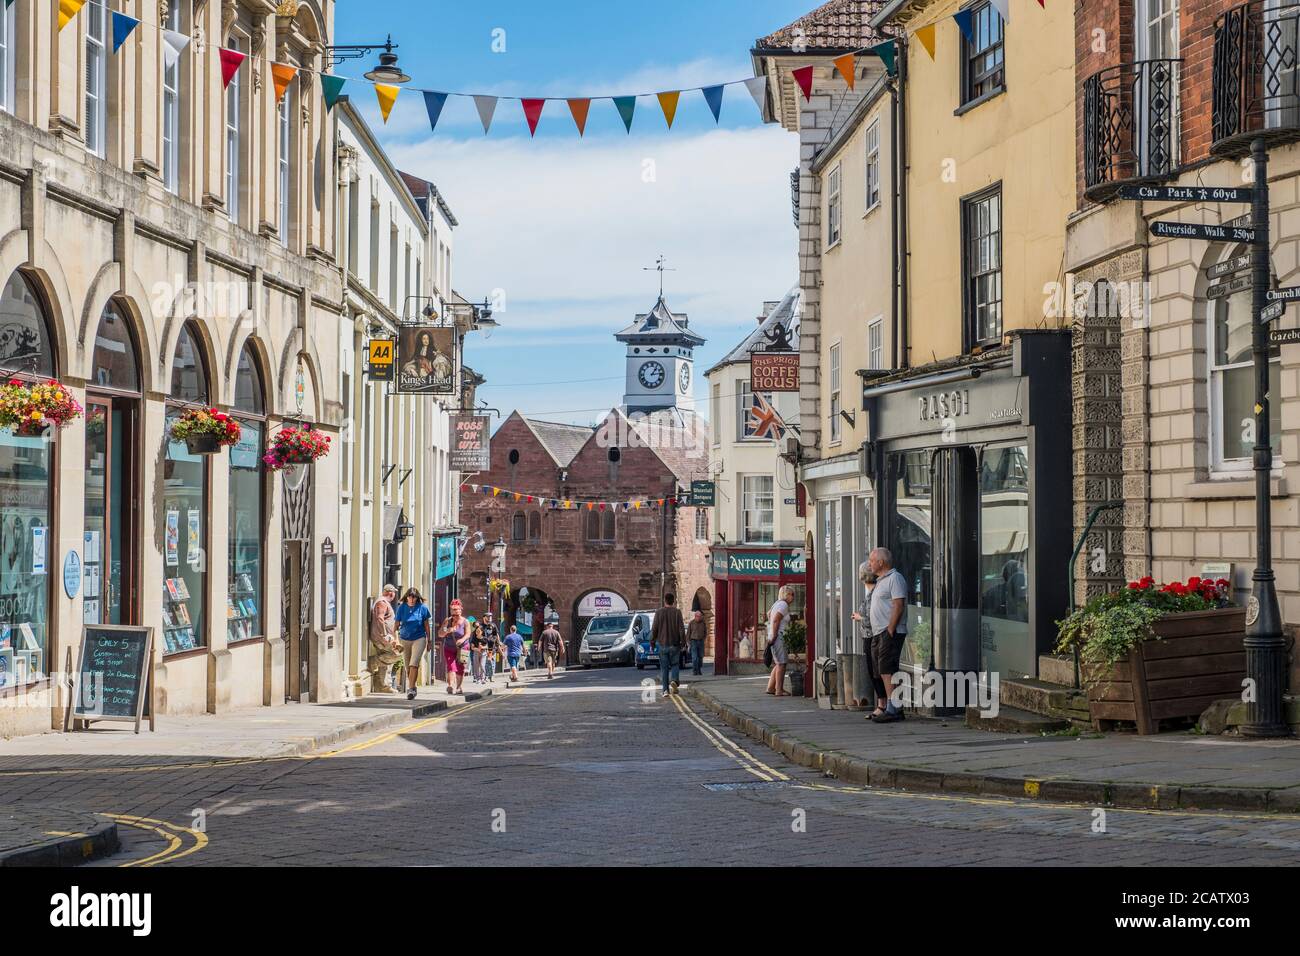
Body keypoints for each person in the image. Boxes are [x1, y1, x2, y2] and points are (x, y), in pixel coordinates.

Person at [864, 547, 908, 723]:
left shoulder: (895, 578)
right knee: (881, 671)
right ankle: (890, 706)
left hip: (889, 632)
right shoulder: (881, 581)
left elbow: (898, 605)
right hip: (878, 633)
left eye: (872, 560)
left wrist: (890, 629)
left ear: (881, 562)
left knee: (888, 669)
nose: (870, 563)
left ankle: (894, 708)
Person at [852, 563, 887, 712]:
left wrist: (859, 617)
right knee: (875, 671)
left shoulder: (873, 594)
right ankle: (882, 703)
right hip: (871, 636)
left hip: (872, 636)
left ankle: (882, 704)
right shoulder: (872, 592)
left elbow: (872, 618)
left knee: (875, 671)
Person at [394, 587, 433, 701]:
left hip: (419, 638)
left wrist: (429, 641)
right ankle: (413, 686)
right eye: (410, 596)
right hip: (404, 639)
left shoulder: (423, 608)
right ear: (406, 597)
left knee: (413, 663)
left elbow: (426, 626)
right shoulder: (401, 608)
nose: (412, 599)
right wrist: (396, 640)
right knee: (407, 667)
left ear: (417, 598)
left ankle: (410, 689)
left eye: (414, 597)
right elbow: (396, 626)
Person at [650, 592, 686, 699]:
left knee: (664, 668)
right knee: (675, 665)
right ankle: (674, 680)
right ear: (673, 601)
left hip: (662, 644)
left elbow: (654, 629)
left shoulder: (659, 612)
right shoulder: (677, 612)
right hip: (675, 644)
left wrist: (652, 642)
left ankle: (665, 690)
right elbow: (681, 629)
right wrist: (683, 643)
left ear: (664, 601)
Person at [367, 584, 401, 693]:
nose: (394, 595)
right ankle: (374, 661)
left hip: (384, 637)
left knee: (386, 663)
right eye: (394, 593)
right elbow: (379, 618)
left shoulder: (384, 602)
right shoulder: (382, 602)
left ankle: (382, 686)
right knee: (396, 655)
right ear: (391, 593)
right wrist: (385, 634)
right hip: (381, 637)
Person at [765, 586, 794, 697]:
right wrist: (775, 634)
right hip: (779, 636)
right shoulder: (783, 604)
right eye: (791, 594)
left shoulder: (777, 603)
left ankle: (771, 687)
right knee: (782, 663)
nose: (793, 597)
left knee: (778, 663)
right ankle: (779, 690)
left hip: (775, 636)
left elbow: (770, 616)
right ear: (786, 595)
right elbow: (776, 619)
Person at [437, 598, 470, 695]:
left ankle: (459, 687)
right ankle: (450, 686)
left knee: (461, 667)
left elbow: (468, 634)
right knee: (451, 666)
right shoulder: (447, 621)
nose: (454, 612)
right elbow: (440, 634)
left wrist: (462, 639)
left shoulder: (465, 621)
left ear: (461, 609)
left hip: (463, 647)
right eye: (452, 610)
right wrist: (447, 630)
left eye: (456, 610)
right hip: (449, 647)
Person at [687, 609, 708, 677]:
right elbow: (688, 634)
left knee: (700, 657)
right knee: (694, 657)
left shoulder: (703, 623)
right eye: (698, 616)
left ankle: (699, 670)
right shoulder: (691, 623)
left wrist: (704, 639)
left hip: (701, 641)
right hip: (694, 641)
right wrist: (688, 642)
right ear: (695, 616)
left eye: (700, 616)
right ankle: (694, 670)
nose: (699, 617)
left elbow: (705, 632)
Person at [481, 612, 501, 683]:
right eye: (488, 616)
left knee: (492, 662)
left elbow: (496, 635)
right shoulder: (481, 626)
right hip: (484, 647)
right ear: (484, 617)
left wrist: (498, 643)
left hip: (492, 647)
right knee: (485, 662)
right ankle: (485, 676)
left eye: (490, 617)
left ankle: (491, 676)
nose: (489, 618)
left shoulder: (493, 625)